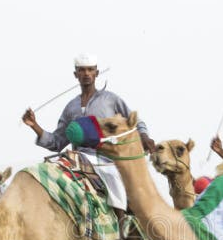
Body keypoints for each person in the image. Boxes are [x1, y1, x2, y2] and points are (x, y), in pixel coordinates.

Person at [22, 53, 155, 211]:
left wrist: (144, 136)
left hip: (106, 159)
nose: (86, 74)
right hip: (76, 159)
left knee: (114, 178)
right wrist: (34, 125)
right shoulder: (71, 107)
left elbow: (135, 121)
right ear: (75, 74)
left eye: (90, 70)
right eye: (82, 70)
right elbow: (57, 142)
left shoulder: (110, 100)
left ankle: (121, 219)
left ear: (96, 73)